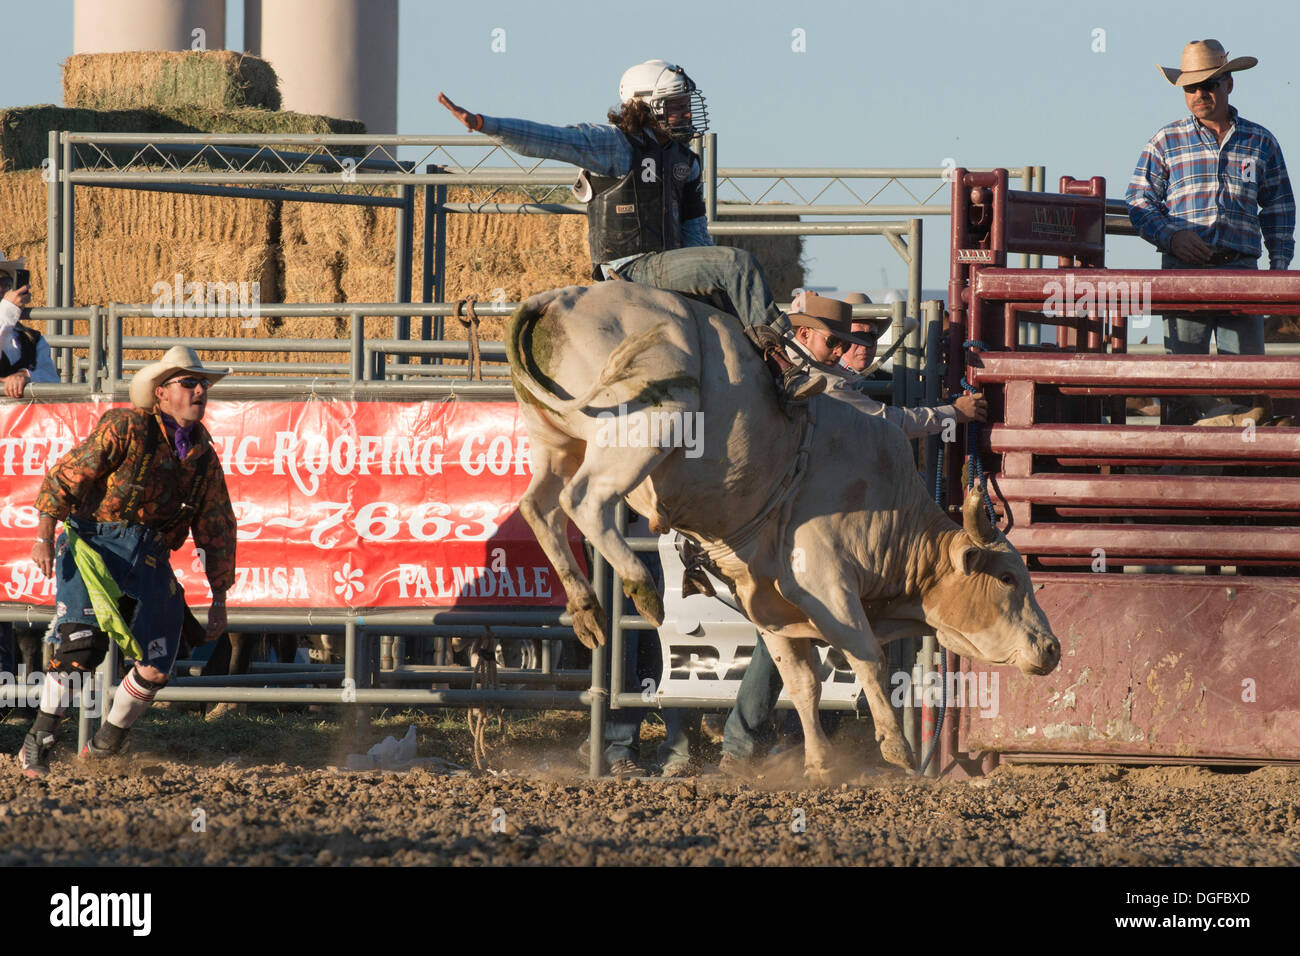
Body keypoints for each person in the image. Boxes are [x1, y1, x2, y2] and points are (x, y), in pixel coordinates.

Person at [438, 60, 822, 406]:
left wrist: (715, 284)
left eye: (685, 103)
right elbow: (551, 139)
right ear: (644, 106)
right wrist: (488, 125)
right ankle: (781, 360)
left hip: (670, 266)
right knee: (739, 263)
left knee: (728, 289)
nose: (686, 112)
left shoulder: (685, 160)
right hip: (631, 266)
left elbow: (695, 236)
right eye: (676, 104)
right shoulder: (616, 144)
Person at [719, 292, 986, 777]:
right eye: (848, 338)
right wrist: (953, 413)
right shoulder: (813, 381)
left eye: (865, 338)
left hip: (827, 535)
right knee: (783, 636)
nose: (857, 347)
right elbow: (887, 422)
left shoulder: (828, 378)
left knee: (805, 637)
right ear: (813, 339)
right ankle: (747, 745)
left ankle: (785, 745)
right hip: (796, 532)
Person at [17, 345, 237, 777]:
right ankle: (37, 741)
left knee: (157, 664)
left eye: (202, 384)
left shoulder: (203, 457)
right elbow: (67, 476)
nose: (199, 391)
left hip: (150, 556)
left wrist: (219, 595)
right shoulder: (127, 427)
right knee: (80, 648)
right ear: (160, 393)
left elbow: (217, 526)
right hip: (96, 545)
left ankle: (105, 747)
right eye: (188, 383)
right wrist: (44, 535)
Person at [1125, 39, 1295, 422]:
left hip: (1241, 275)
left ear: (1228, 85)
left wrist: (1278, 272)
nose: (1200, 94)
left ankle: (1240, 469)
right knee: (1184, 383)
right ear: (1184, 92)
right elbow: (1139, 202)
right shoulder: (1165, 141)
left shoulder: (1261, 141)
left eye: (1209, 84)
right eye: (1192, 87)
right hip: (1184, 274)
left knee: (1247, 381)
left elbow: (1279, 205)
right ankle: (1183, 466)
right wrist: (1172, 236)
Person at [0, 281, 58, 398]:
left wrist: (27, 375)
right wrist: (7, 311)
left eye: (5, 283)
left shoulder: (31, 338)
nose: (2, 289)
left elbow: (53, 381)